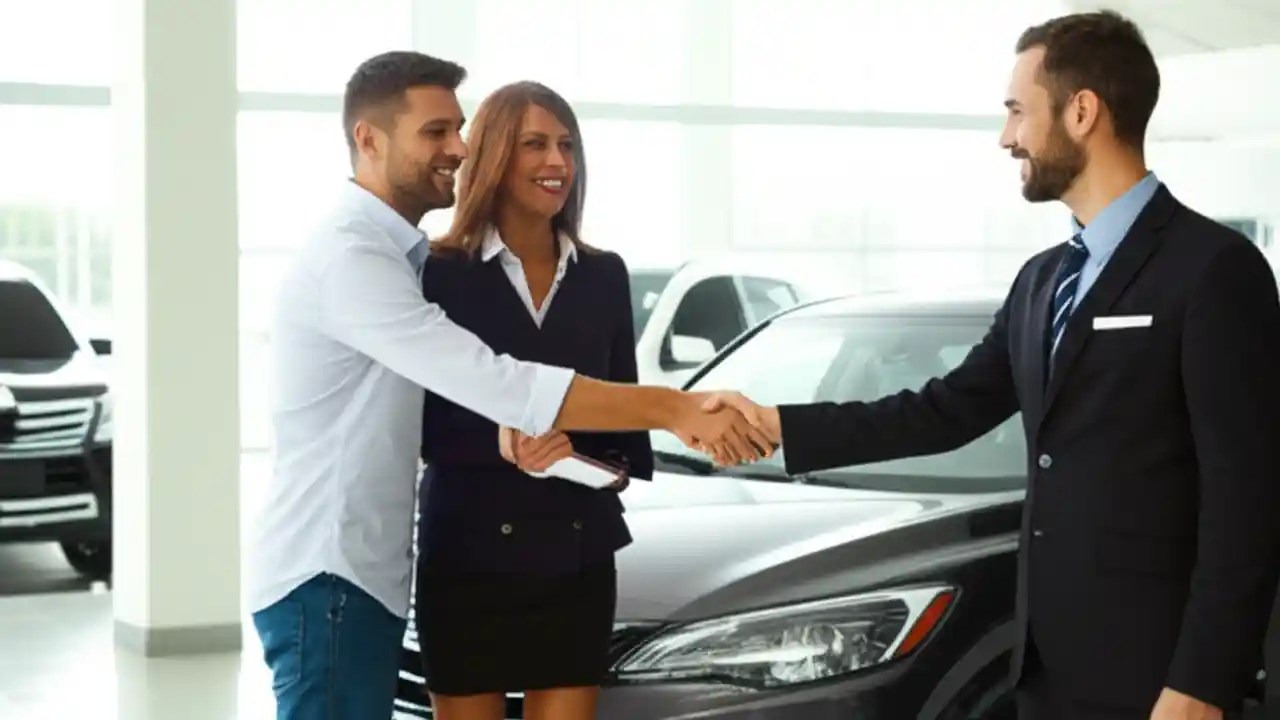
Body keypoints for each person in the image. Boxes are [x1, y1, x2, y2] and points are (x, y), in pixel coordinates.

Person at [703, 11, 1280, 720]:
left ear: (1081, 111)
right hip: (1044, 671)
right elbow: (945, 408)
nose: (1006, 137)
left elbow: (1247, 503)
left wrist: (1202, 682)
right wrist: (778, 426)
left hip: (1160, 679)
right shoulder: (1041, 281)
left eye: (1016, 111)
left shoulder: (1215, 270)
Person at [246, 52, 769, 720]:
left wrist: (590, 456)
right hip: (357, 569)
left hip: (410, 569)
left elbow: (611, 449)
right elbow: (490, 387)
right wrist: (677, 407)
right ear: (368, 139)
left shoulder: (404, 255)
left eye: (459, 131)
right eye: (437, 132)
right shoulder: (380, 262)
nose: (457, 150)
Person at [411, 80, 651, 720]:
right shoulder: (438, 272)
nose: (558, 163)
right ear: (492, 156)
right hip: (467, 554)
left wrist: (591, 460)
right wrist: (505, 441)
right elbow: (416, 422)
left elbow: (626, 429)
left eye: (567, 145)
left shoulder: (604, 275)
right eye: (535, 145)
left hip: (577, 559)